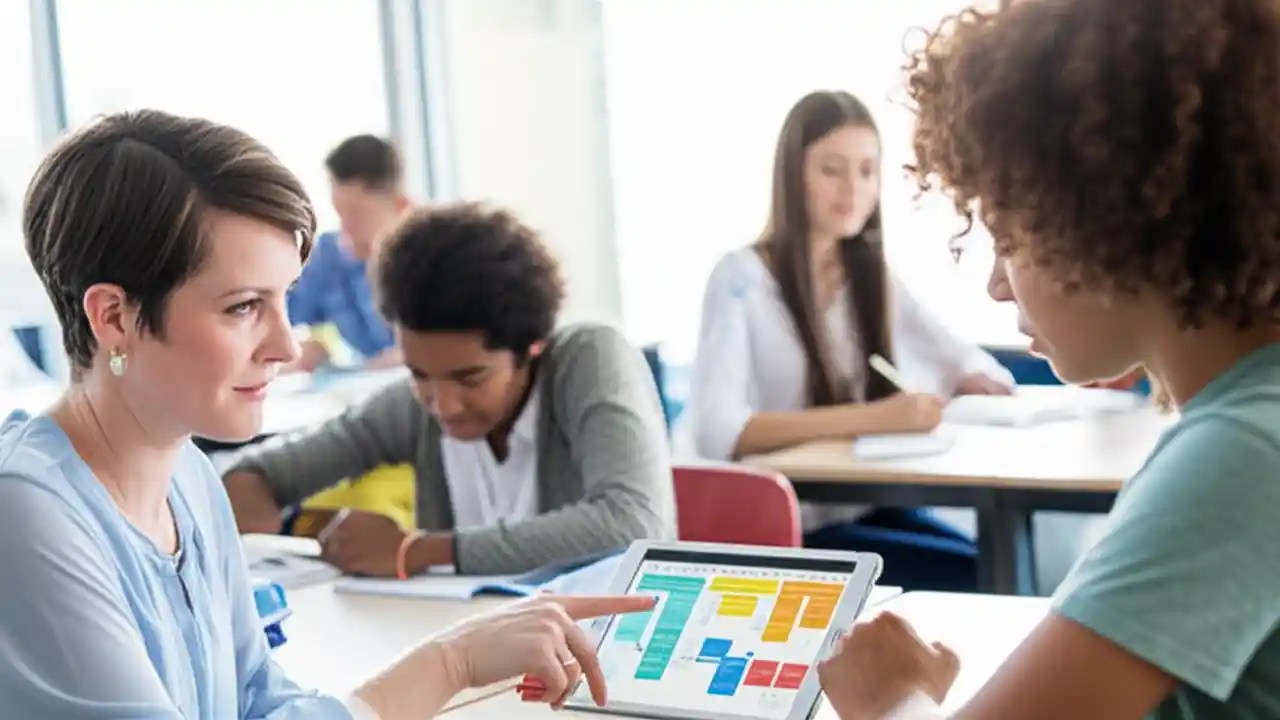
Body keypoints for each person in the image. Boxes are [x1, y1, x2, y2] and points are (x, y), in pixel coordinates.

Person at [0, 109, 653, 719]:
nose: (285, 347)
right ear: (114, 317)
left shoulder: (188, 481)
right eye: (243, 307)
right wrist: (451, 660)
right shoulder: (27, 512)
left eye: (284, 299)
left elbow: (263, 703)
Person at [818, 1, 1280, 717]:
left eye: (1006, 233)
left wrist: (890, 700)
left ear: (1109, 218)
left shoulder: (1241, 451)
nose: (997, 282)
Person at [224, 202, 676, 576]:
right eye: (419, 374)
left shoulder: (586, 361)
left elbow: (632, 525)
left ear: (531, 348)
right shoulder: (415, 408)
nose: (442, 404)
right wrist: (293, 521)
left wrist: (422, 550)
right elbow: (252, 479)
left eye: (469, 378)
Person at [684, 90, 1013, 591]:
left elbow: (960, 357)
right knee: (984, 576)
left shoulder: (867, 275)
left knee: (999, 566)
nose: (853, 189)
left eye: (867, 170)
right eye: (832, 170)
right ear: (793, 176)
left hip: (867, 511)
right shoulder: (741, 278)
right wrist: (878, 419)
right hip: (794, 533)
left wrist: (975, 378)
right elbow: (718, 430)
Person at [286, 134, 409, 372]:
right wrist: (301, 349)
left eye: (357, 214)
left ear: (401, 206)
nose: (346, 229)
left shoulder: (439, 258)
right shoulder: (330, 258)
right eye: (340, 213)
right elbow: (277, 312)